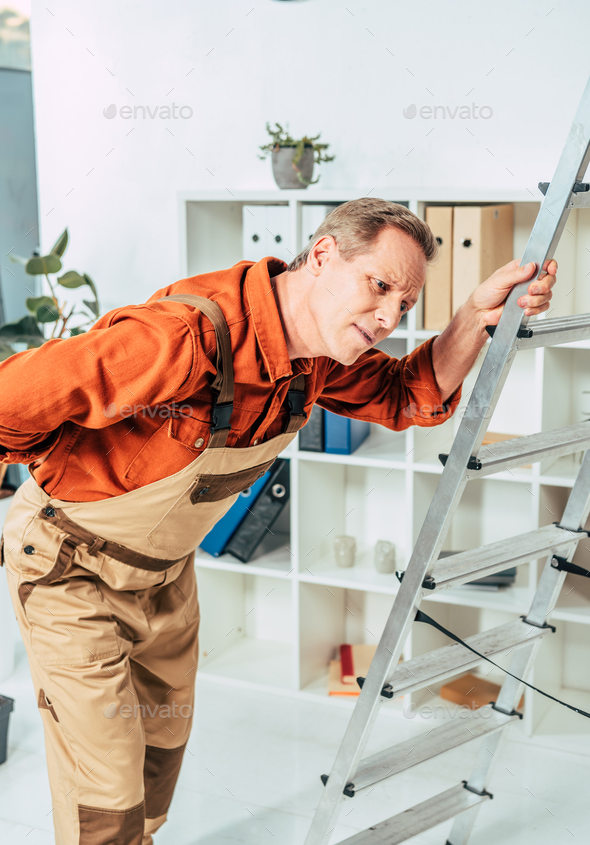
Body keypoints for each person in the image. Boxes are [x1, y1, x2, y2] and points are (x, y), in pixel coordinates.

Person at [0, 197, 556, 845]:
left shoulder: (315, 358)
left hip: (165, 575)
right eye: (379, 286)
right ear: (323, 255)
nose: (388, 317)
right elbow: (14, 398)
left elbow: (412, 395)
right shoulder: (184, 339)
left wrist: (477, 316)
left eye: (404, 305)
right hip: (72, 569)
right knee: (106, 790)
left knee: (157, 758)